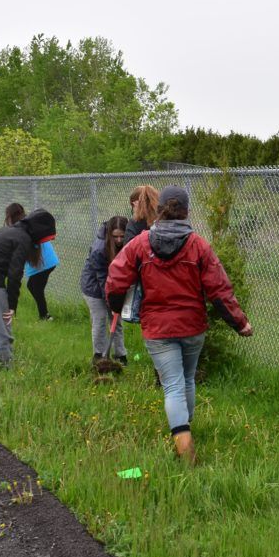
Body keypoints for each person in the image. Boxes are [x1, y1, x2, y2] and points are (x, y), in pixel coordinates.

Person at [106, 185, 253, 464]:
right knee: (186, 379)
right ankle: (186, 431)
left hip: (158, 329)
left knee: (172, 385)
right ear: (186, 212)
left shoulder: (140, 244)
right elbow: (219, 288)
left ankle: (185, 449)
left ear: (160, 209)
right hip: (192, 327)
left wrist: (115, 306)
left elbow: (116, 278)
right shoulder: (198, 245)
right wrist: (240, 323)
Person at [0, 208, 57, 367]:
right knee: (2, 332)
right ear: (40, 231)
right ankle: (5, 369)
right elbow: (15, 273)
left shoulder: (9, 231)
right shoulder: (22, 238)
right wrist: (12, 305)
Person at [81, 215, 129, 367]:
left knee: (117, 321)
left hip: (113, 285)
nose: (119, 240)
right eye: (116, 236)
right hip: (94, 287)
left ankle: (120, 355)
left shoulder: (128, 243)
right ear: (109, 234)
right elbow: (103, 279)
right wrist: (111, 301)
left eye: (122, 236)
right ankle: (99, 356)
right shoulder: (99, 249)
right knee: (100, 319)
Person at [5, 203, 58, 320]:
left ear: (10, 216)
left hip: (46, 262)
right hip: (46, 262)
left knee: (36, 288)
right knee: (32, 286)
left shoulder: (23, 226)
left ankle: (45, 316)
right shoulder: (27, 223)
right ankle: (44, 314)